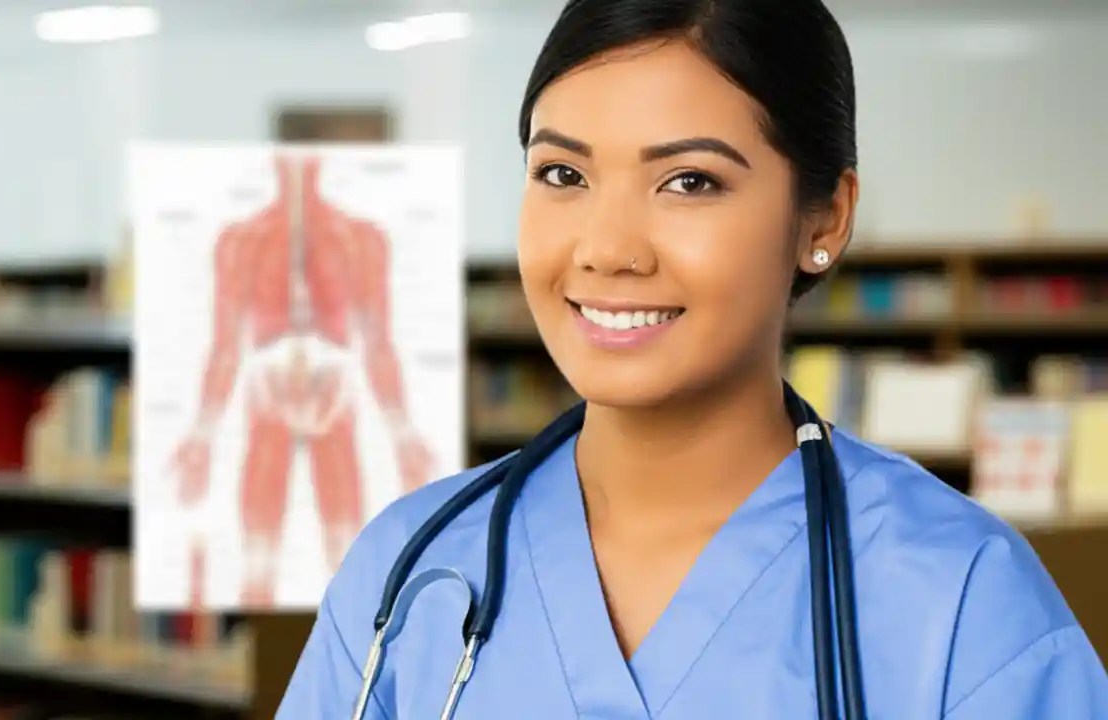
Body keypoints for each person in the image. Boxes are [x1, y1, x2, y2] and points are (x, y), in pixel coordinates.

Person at [277, 0, 1108, 717]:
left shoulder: (961, 599)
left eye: (689, 182)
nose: (606, 249)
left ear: (824, 220)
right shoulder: (412, 570)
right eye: (562, 172)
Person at [171, 152, 436, 607]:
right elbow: (225, 345)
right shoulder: (241, 240)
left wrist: (403, 434)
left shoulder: (360, 239)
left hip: (331, 395)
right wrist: (201, 436)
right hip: (270, 395)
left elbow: (378, 342)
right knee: (259, 565)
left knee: (348, 561)